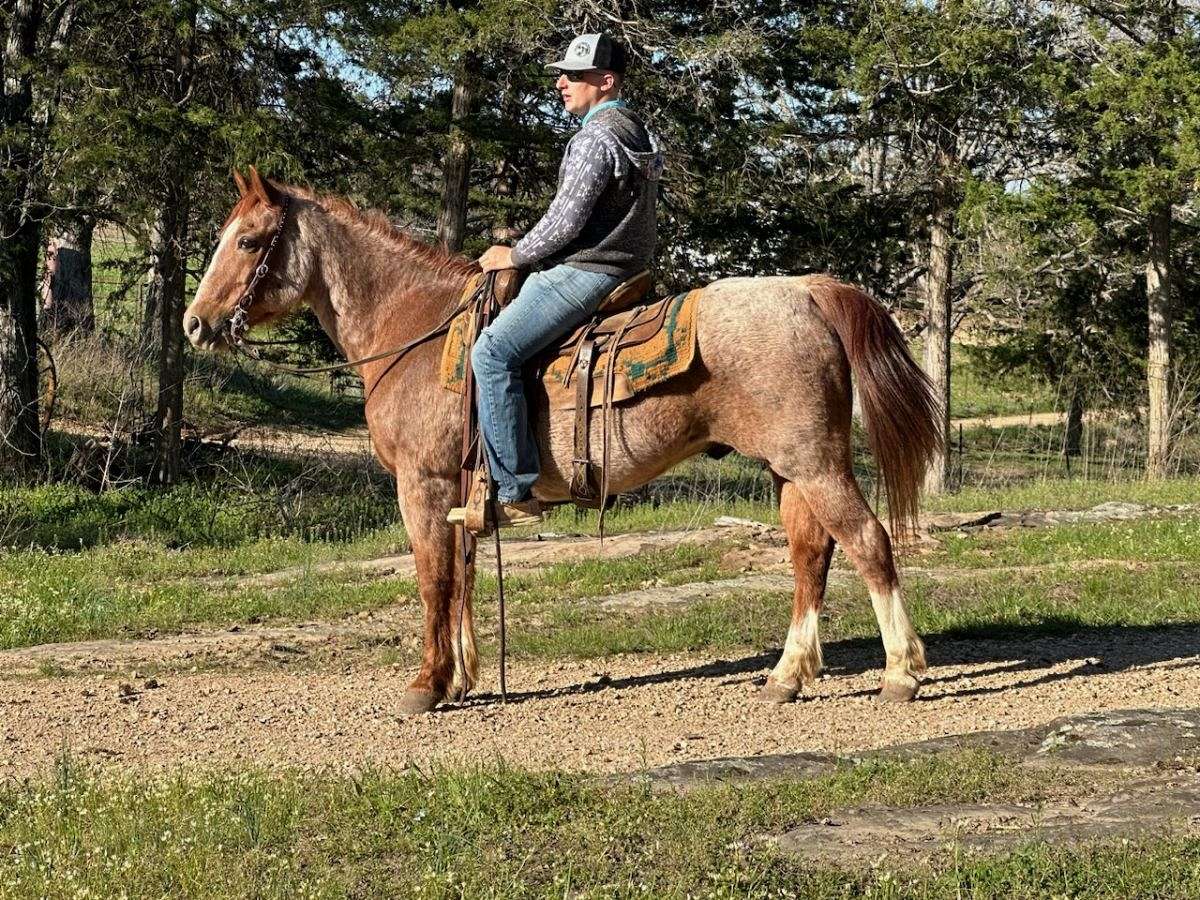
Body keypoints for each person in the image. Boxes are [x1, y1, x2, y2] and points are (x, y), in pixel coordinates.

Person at [452, 32, 663, 532]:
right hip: (629, 269)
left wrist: (515, 253)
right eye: (562, 73)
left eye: (575, 75)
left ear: (605, 81)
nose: (561, 82)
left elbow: (565, 223)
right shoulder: (637, 132)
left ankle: (514, 487)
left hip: (586, 271)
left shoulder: (594, 137)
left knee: (492, 353)